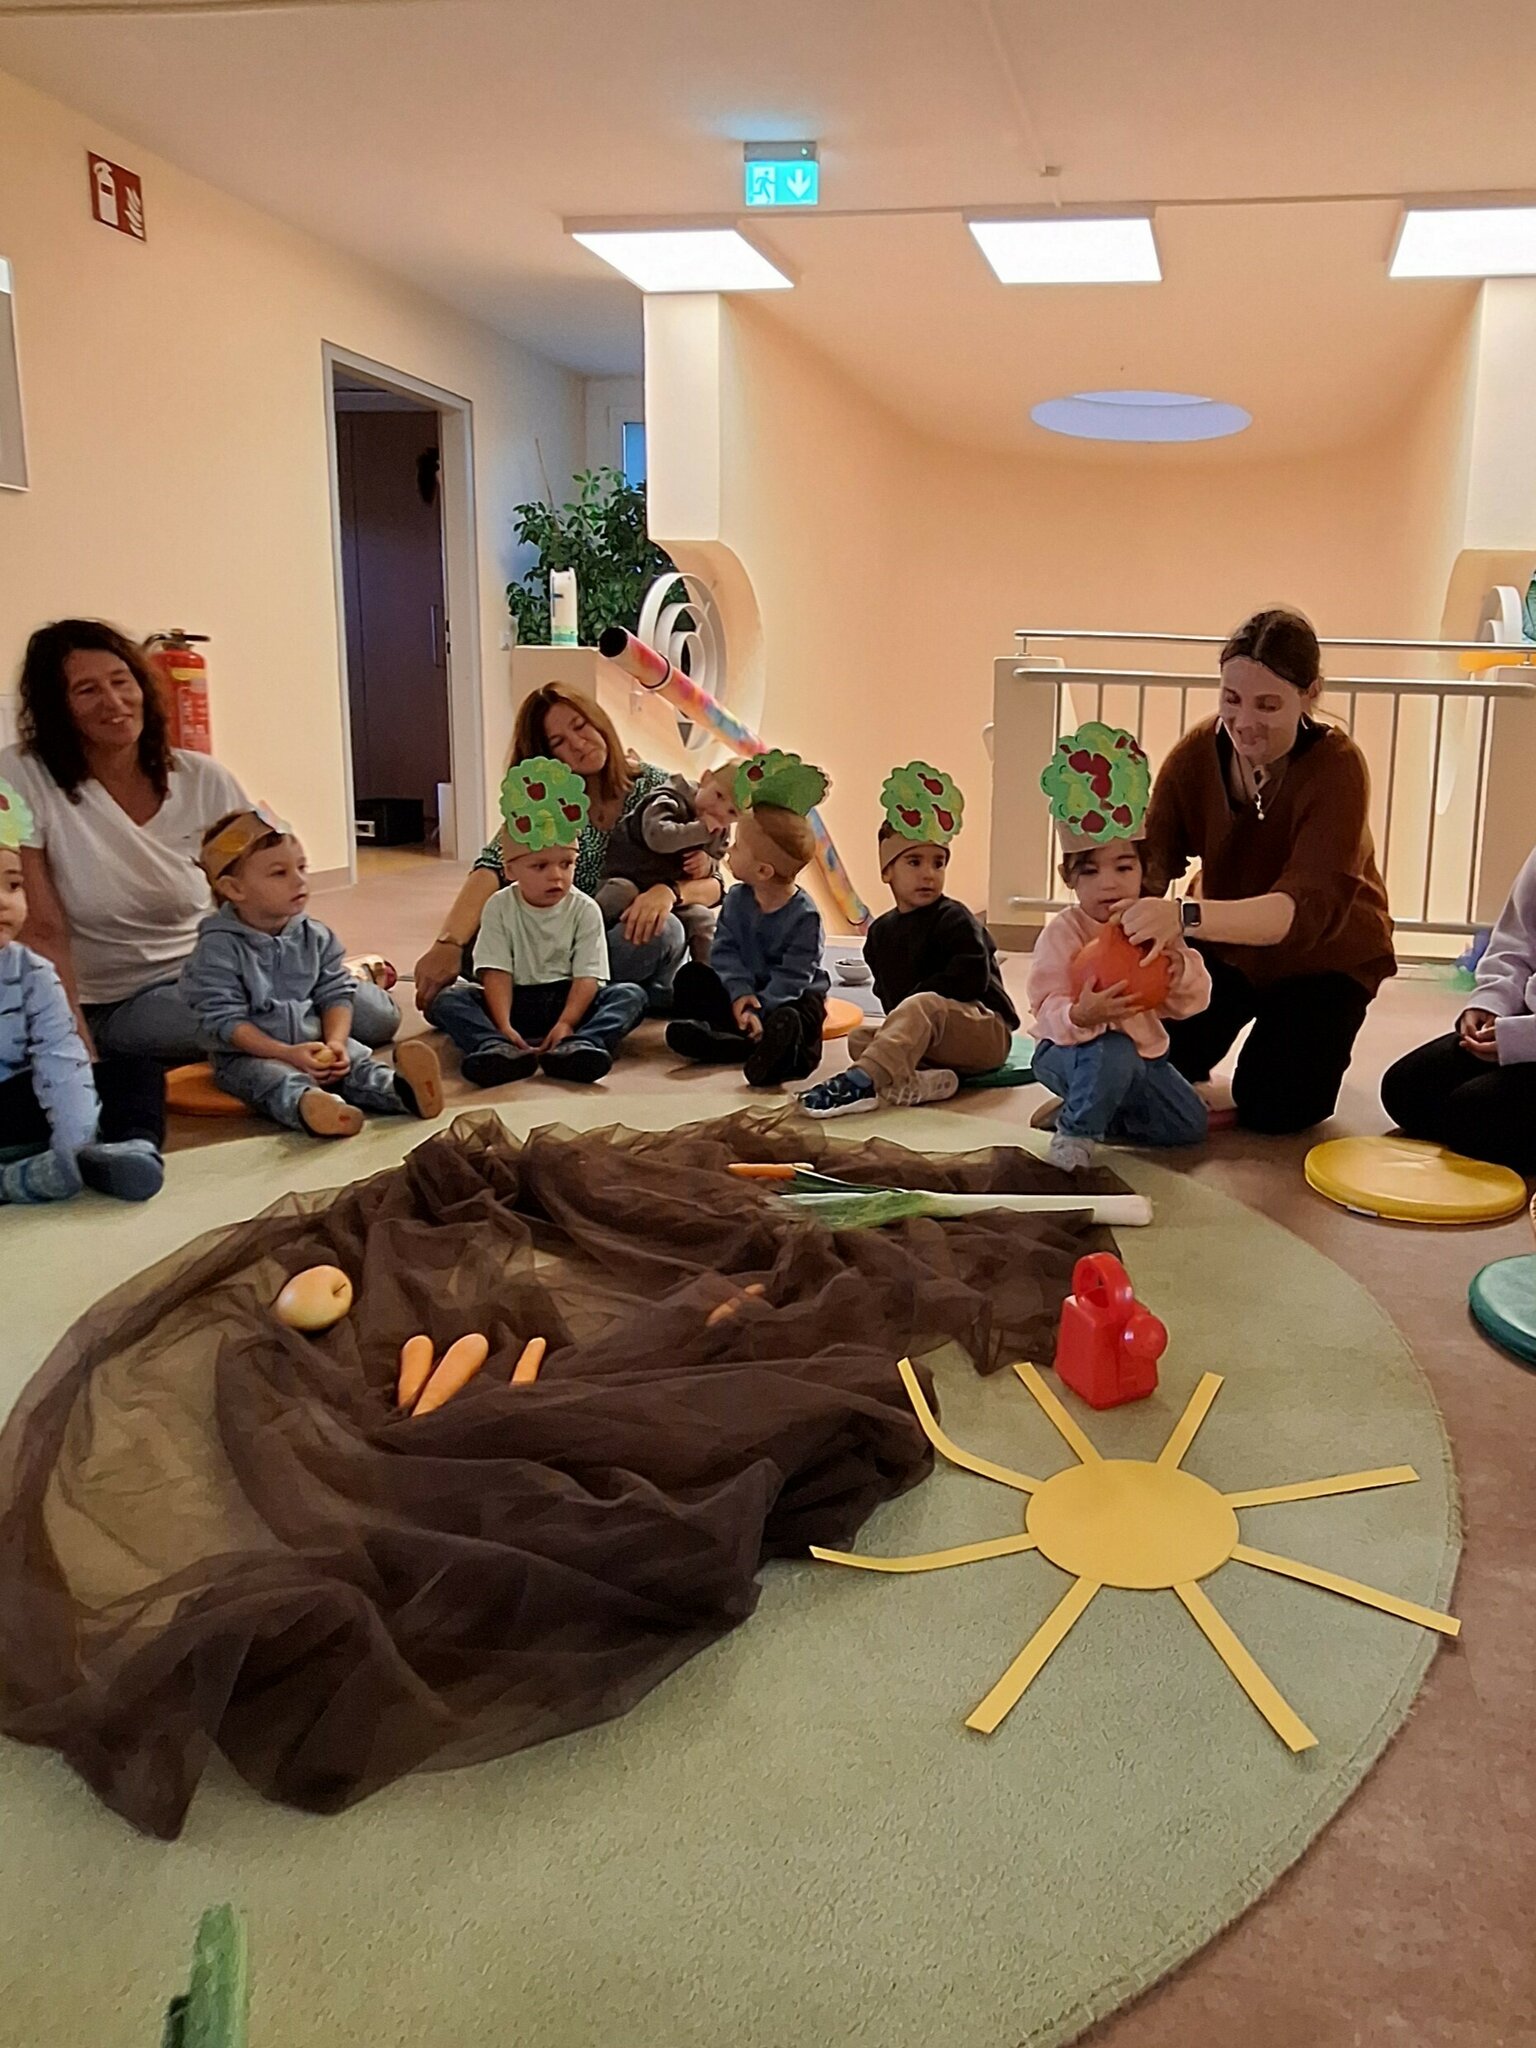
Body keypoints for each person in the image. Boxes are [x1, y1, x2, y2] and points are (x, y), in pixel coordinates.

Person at [1, 619, 399, 1064]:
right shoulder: (22, 775)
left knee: (377, 1017)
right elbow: (41, 930)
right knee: (281, 1025)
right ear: (58, 708)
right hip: (124, 999)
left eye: (121, 682)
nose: (113, 702)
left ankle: (343, 998)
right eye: (87, 690)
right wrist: (79, 1057)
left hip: (230, 965)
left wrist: (305, 963)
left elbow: (264, 882)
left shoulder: (201, 776)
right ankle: (347, 1063)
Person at [1122, 607, 1395, 1134]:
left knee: (1279, 1106)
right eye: (1231, 700)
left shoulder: (1338, 767)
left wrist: (1182, 915)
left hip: (1324, 959)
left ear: (1310, 694)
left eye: (1268, 705)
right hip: (1225, 948)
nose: (1245, 722)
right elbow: (1151, 862)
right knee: (1145, 1055)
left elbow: (1297, 914)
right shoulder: (1198, 752)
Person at [412, 684, 723, 1017]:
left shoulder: (660, 788)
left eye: (580, 726)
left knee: (666, 932)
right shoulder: (547, 796)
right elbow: (493, 866)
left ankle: (543, 1002)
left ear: (598, 721)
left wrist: (668, 893)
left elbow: (715, 883)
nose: (578, 744)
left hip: (615, 938)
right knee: (479, 939)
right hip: (551, 937)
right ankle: (595, 1001)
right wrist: (448, 943)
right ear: (546, 756)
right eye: (558, 742)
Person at [179, 808, 442, 1138]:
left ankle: (402, 1090)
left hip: (316, 1041)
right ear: (234, 889)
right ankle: (314, 1107)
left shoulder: (315, 935)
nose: (300, 880)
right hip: (249, 1056)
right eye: (279, 873)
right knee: (274, 1079)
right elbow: (226, 1021)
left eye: (302, 868)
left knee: (358, 1061)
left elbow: (336, 993)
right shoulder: (217, 950)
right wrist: (286, 1054)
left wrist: (335, 1043)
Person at [1024, 725, 1211, 1171]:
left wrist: (1176, 969)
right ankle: (1077, 1131)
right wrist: (1079, 1015)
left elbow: (1193, 1000)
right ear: (1069, 878)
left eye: (1123, 866)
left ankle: (1096, 1110)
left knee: (1188, 1125)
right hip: (1067, 1051)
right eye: (1090, 872)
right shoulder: (1064, 931)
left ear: (1143, 869)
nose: (1108, 882)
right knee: (1113, 1052)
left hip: (1145, 1054)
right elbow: (1044, 1003)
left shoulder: (1150, 923)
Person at [800, 763, 1018, 1118]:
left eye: (938, 863)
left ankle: (860, 1085)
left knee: (920, 1008)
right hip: (935, 1037)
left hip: (984, 1030)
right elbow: (891, 996)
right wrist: (903, 1018)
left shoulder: (955, 917)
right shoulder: (881, 934)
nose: (928, 874)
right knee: (862, 1039)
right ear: (887, 870)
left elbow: (970, 979)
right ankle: (926, 1081)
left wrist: (915, 1005)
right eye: (914, 862)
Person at [425, 757, 646, 1086]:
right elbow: (496, 972)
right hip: (514, 998)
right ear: (511, 870)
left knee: (630, 995)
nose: (556, 876)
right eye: (540, 867)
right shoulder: (499, 906)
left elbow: (588, 975)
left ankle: (581, 1046)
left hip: (567, 998)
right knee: (447, 1000)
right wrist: (503, 1026)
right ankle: (495, 1047)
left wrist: (568, 1023)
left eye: (566, 864)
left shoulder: (584, 909)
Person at [0, 776, 166, 1202]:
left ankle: (129, 1147)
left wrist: (74, 1146)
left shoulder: (32, 971)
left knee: (134, 1072)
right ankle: (17, 1179)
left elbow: (62, 1056)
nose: (5, 901)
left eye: (13, 885)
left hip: (22, 1103)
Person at [665, 751, 828, 1088]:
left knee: (802, 1015)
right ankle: (738, 1041)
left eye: (737, 847)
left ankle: (777, 1050)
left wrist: (762, 1007)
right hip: (744, 989)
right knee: (692, 978)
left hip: (787, 996)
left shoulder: (804, 916)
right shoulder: (738, 899)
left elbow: (795, 975)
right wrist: (741, 995)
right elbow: (725, 951)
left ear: (763, 871)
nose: (727, 851)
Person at [1380, 846, 1536, 1172]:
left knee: (1473, 1116)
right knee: (1406, 1090)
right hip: (1526, 1024)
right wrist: (1492, 1001)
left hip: (1529, 1035)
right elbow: (1515, 939)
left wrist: (1522, 1041)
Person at [595, 765, 737, 963]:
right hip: (628, 875)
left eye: (732, 811)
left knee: (702, 919)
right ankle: (576, 937)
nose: (720, 810)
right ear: (706, 778)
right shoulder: (669, 798)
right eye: (719, 795)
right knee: (619, 894)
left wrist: (707, 863)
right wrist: (701, 830)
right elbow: (659, 837)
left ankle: (708, 980)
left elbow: (717, 858)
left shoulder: (720, 828)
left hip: (669, 893)